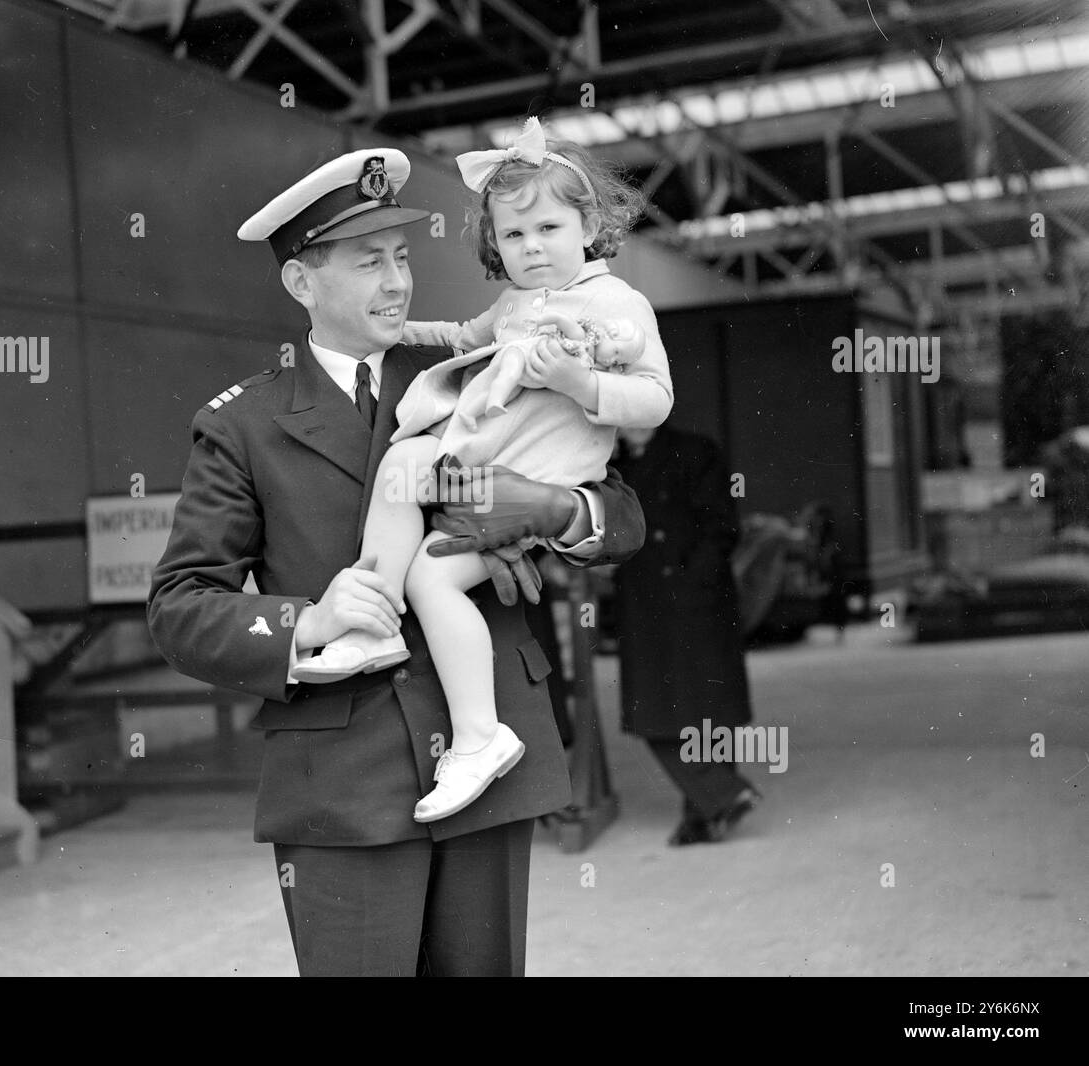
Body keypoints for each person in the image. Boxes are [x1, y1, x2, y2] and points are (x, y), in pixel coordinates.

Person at [146, 146, 647, 976]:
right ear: (301, 283)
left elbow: (622, 510)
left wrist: (557, 509)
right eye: (367, 261)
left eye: (404, 257)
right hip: (344, 780)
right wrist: (308, 622)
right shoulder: (244, 424)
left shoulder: (485, 361)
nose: (396, 283)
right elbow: (179, 606)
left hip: (492, 760)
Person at [292, 119, 675, 825]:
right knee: (431, 578)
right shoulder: (516, 304)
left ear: (589, 226)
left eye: (549, 229)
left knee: (406, 461)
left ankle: (378, 629)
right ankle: (476, 732)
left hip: (532, 475)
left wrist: (579, 385)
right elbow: (464, 338)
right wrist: (397, 332)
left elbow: (654, 401)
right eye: (514, 237)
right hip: (487, 468)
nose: (532, 249)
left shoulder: (616, 306)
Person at [612, 425, 761, 845]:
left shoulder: (695, 451)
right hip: (644, 603)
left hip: (699, 600)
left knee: (710, 710)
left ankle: (706, 813)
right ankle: (722, 796)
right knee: (653, 710)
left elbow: (722, 527)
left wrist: (691, 583)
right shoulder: (614, 463)